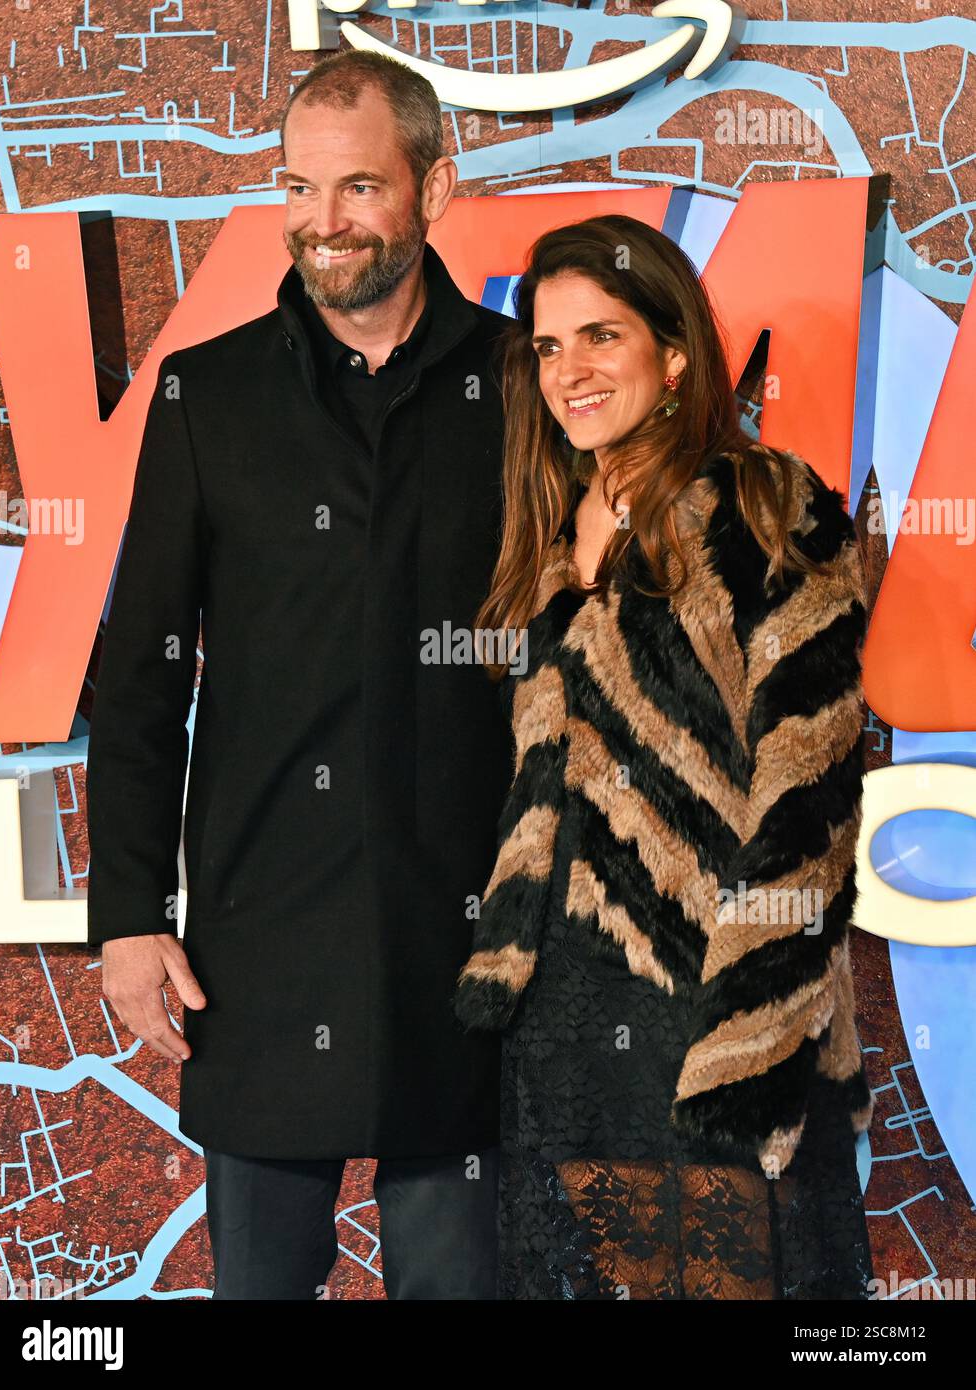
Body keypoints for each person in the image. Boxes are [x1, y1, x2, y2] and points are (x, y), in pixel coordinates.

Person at [85, 50, 514, 1300]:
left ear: (433, 192)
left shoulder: (523, 388)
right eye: (299, 185)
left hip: (467, 940)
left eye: (359, 187)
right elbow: (145, 674)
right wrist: (124, 914)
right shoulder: (203, 395)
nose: (323, 222)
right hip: (257, 940)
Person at [453, 213, 876, 1300]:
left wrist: (751, 1028)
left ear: (673, 352)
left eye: (599, 336)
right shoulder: (545, 533)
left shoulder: (763, 502)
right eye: (547, 347)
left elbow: (813, 776)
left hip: (714, 1004)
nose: (569, 371)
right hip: (564, 1015)